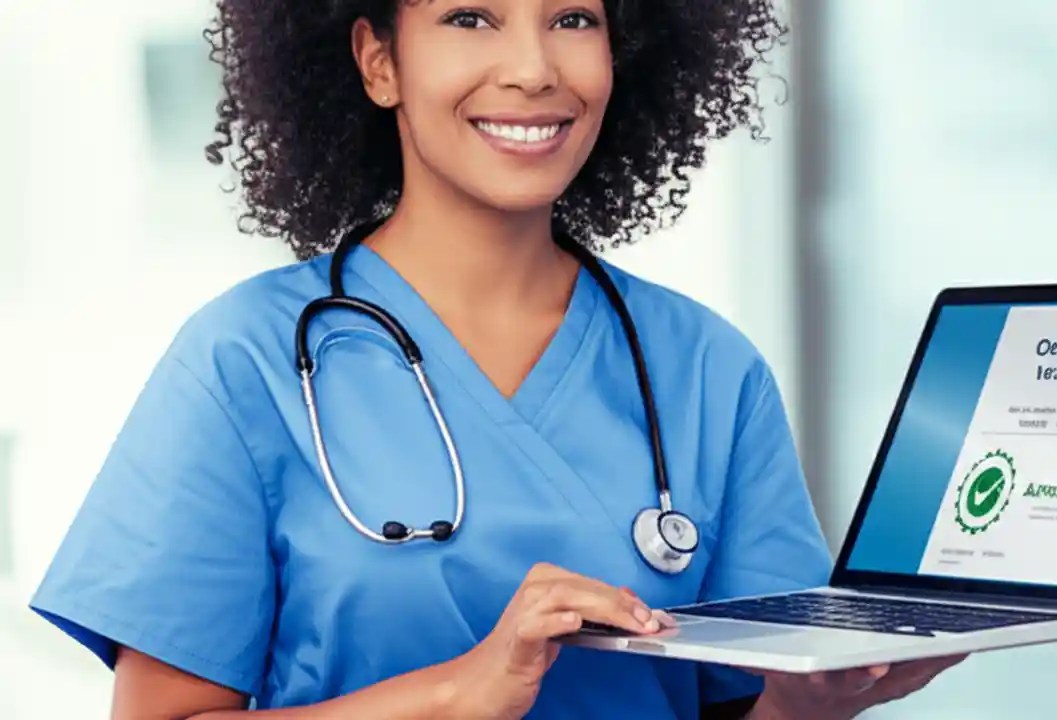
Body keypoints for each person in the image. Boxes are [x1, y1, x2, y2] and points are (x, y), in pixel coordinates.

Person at [28, 0, 963, 717]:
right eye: (470, 16)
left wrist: (809, 702)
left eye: (572, 18)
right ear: (378, 60)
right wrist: (458, 693)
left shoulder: (708, 370)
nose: (532, 67)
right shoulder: (245, 363)